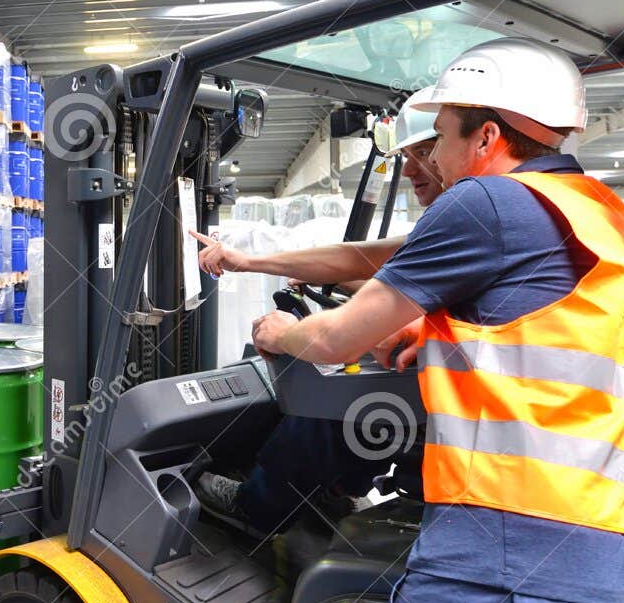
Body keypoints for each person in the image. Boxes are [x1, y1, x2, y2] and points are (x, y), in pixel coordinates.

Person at [244, 37, 624, 603]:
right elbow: (555, 337)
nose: (433, 157)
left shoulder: (487, 200)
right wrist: (440, 340)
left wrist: (283, 335)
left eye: (441, 135)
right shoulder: (608, 215)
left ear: (488, 136)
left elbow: (338, 335)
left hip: (507, 576)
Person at [190, 93, 443, 534]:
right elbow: (357, 260)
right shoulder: (451, 222)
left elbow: (331, 341)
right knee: (348, 385)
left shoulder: (466, 215)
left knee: (324, 398)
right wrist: (250, 262)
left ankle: (259, 506)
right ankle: (339, 487)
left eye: (423, 153)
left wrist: (286, 333)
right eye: (407, 156)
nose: (412, 169)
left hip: (449, 413)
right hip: (445, 398)